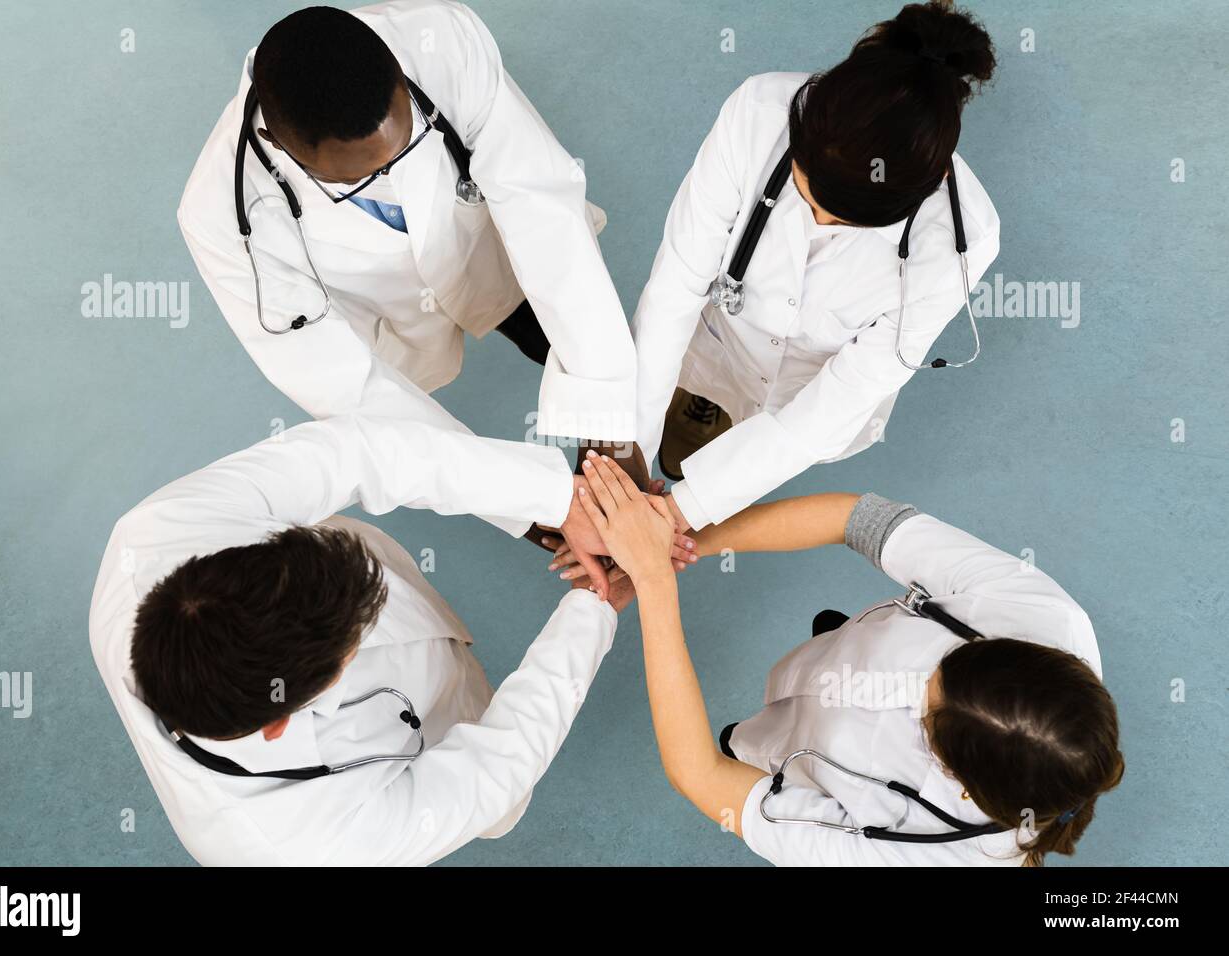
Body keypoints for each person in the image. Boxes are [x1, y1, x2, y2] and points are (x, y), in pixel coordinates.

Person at [87, 359, 685, 866]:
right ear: (278, 722)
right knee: (498, 807)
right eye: (355, 637)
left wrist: (556, 501)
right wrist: (594, 606)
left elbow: (356, 450)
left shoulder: (156, 535)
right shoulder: (313, 846)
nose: (371, 613)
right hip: (423, 741)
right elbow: (499, 762)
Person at [559, 452, 1124, 866]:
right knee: (811, 664)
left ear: (960, 780)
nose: (913, 683)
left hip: (789, 752)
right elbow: (857, 520)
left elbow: (701, 774)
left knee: (740, 745)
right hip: (831, 656)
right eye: (946, 661)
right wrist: (680, 543)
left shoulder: (924, 856)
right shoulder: (1052, 620)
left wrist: (656, 582)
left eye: (924, 710)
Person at [178, 2, 642, 464]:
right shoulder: (220, 213)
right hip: (395, 320)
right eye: (355, 180)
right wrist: (530, 502)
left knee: (568, 333)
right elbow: (341, 384)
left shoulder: (442, 41)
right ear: (280, 147)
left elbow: (545, 219)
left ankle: (674, 393)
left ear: (400, 72)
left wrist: (609, 421)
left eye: (405, 145)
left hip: (484, 247)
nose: (389, 177)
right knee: (408, 409)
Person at [633, 1, 1001, 533]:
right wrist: (624, 458)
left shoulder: (960, 243)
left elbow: (840, 399)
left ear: (935, 179)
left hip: (806, 389)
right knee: (677, 440)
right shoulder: (758, 114)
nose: (818, 219)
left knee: (726, 472)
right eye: (807, 194)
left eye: (844, 221)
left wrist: (679, 513)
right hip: (717, 345)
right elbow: (675, 286)